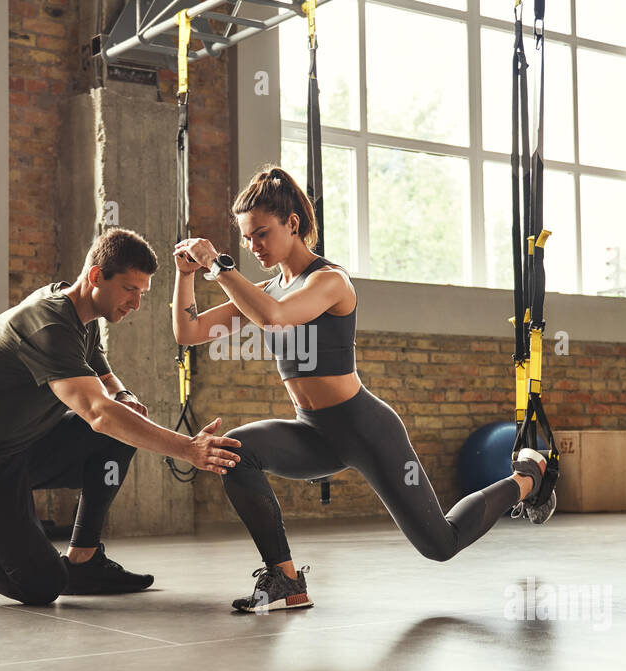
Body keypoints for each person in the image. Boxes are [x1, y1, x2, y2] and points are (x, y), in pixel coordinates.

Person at [171, 166, 552, 613]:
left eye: (261, 234)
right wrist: (185, 275)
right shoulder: (264, 290)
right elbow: (190, 332)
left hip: (366, 429)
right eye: (247, 238)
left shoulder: (329, 281)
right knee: (234, 452)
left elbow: (275, 317)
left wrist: (218, 266)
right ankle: (287, 581)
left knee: (441, 543)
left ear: (292, 223)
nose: (253, 247)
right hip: (313, 432)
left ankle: (529, 477)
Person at [0, 228, 242, 605]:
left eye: (142, 293)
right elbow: (98, 413)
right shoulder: (49, 323)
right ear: (97, 276)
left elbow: (103, 375)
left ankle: (83, 561)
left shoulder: (81, 314)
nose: (136, 304)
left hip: (16, 451)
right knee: (40, 584)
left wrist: (123, 395)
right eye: (130, 290)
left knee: (116, 433)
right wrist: (189, 449)